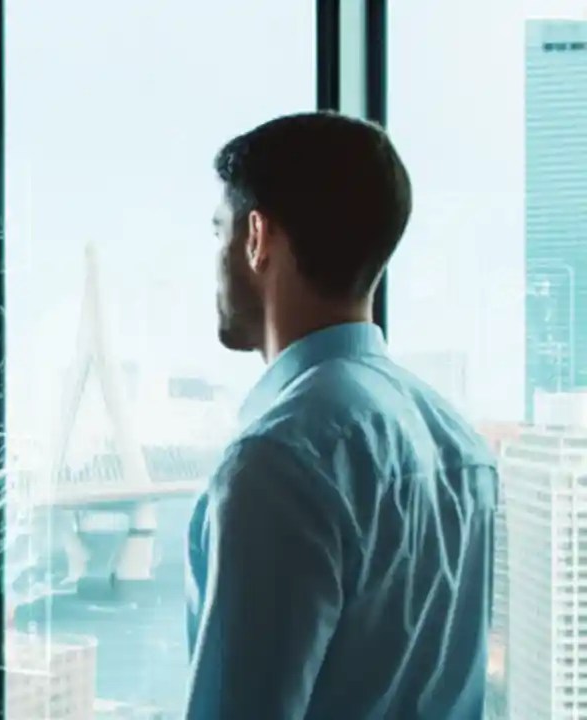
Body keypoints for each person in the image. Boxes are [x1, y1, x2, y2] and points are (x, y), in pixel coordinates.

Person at [185, 112, 497, 719]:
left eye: (218, 230)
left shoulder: (278, 459)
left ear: (257, 237)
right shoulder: (461, 443)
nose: (215, 258)